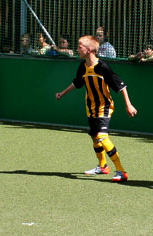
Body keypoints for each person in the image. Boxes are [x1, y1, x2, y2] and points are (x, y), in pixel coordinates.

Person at [55, 35, 138, 182]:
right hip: (90, 107)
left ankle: (121, 171)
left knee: (101, 136)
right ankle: (103, 166)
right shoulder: (83, 66)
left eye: (80, 46)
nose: (77, 49)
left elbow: (121, 86)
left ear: (89, 50)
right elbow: (77, 83)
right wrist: (62, 92)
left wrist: (128, 104)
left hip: (104, 107)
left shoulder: (103, 67)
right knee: (94, 137)